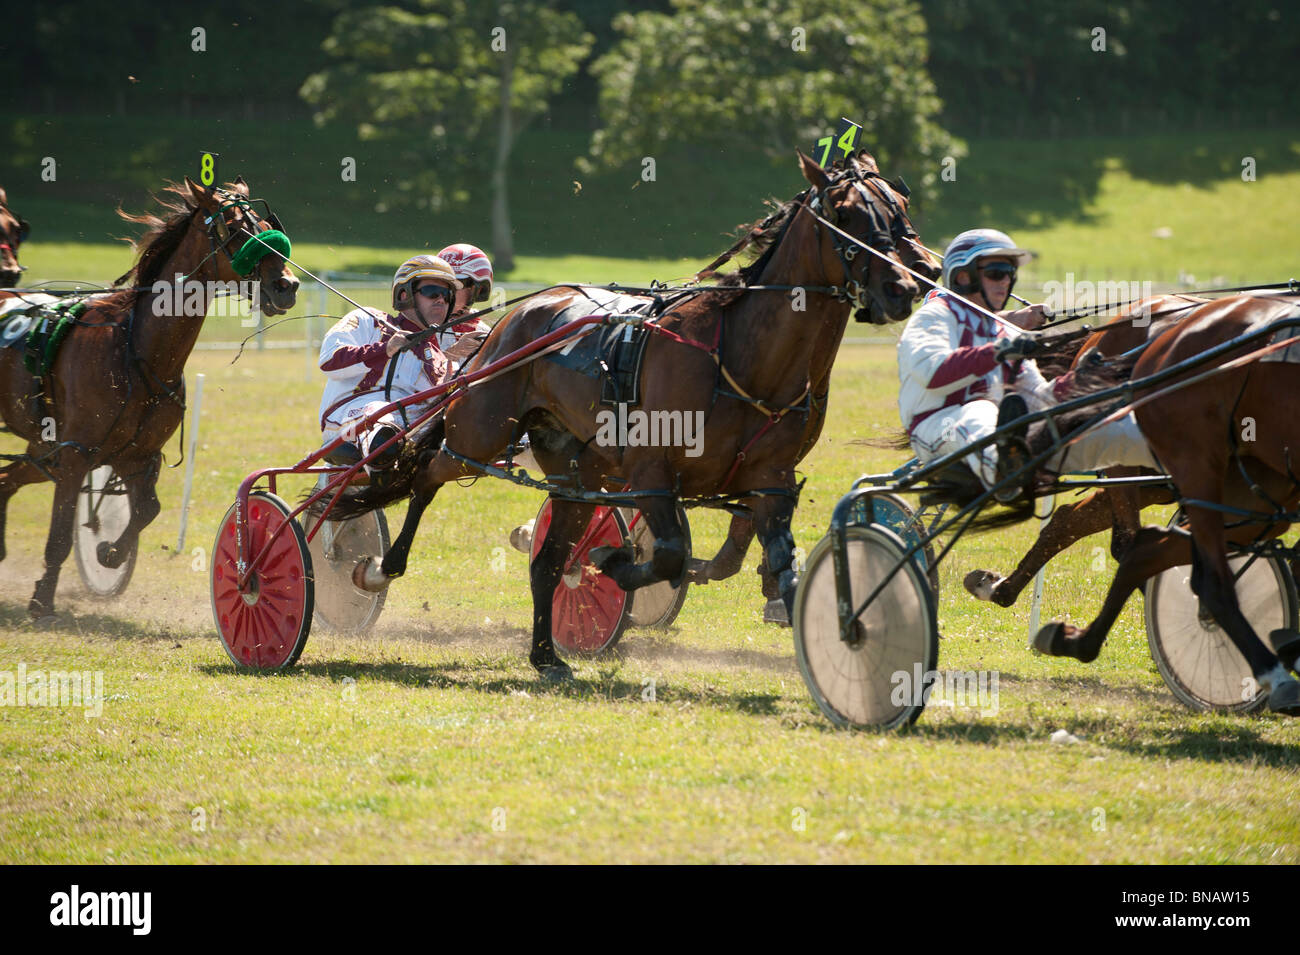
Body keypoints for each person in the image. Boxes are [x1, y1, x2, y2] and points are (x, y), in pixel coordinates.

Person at [897, 228, 1155, 499]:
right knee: (979, 411)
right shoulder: (936, 316)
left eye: (1010, 274)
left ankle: (1181, 455)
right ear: (963, 276)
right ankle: (1003, 470)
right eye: (996, 273)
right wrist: (998, 352)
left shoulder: (1005, 332)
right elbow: (933, 372)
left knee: (1115, 430)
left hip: (1003, 436)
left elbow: (1039, 399)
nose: (1005, 282)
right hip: (937, 429)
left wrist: (1086, 380)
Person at [318, 254, 461, 471]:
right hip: (348, 421)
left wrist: (463, 363)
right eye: (432, 292)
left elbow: (434, 409)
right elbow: (329, 360)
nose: (441, 300)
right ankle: (380, 448)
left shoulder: (439, 358)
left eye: (447, 295)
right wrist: (385, 349)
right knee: (380, 413)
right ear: (405, 295)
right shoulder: (369, 321)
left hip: (407, 428)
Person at [435, 242, 494, 368]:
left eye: (455, 285)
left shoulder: (485, 333)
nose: (445, 291)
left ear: (476, 290)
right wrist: (452, 353)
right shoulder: (421, 324)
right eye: (440, 284)